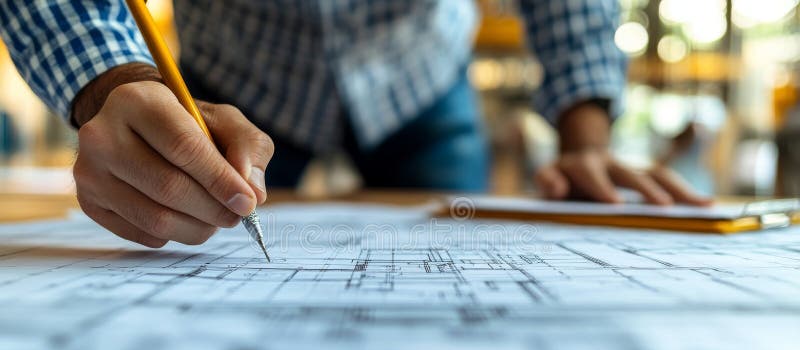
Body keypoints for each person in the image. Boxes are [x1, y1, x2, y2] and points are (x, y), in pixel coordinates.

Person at [0, 0, 708, 248]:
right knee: (184, 212)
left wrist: (586, 136)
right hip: (228, 93)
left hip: (421, 78)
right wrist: (110, 81)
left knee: (459, 260)